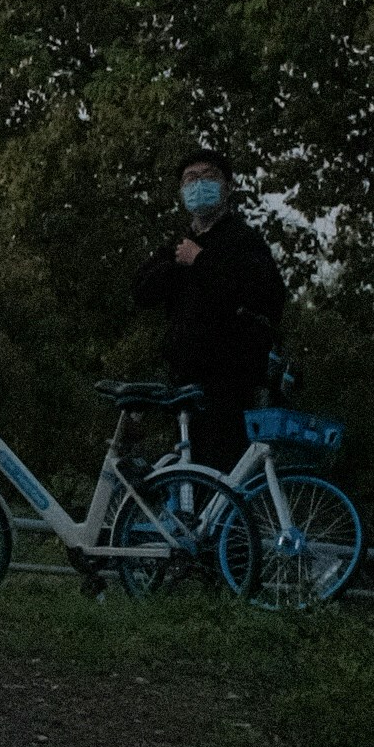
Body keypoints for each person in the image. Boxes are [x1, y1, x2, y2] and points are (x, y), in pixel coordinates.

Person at [130, 155, 289, 508]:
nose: (198, 184)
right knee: (189, 472)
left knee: (223, 475)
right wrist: (177, 266)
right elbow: (141, 290)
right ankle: (194, 555)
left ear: (227, 186)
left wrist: (201, 262)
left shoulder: (243, 240)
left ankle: (227, 556)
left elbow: (268, 296)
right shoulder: (179, 245)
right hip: (185, 379)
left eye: (208, 176)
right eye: (190, 178)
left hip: (229, 379)